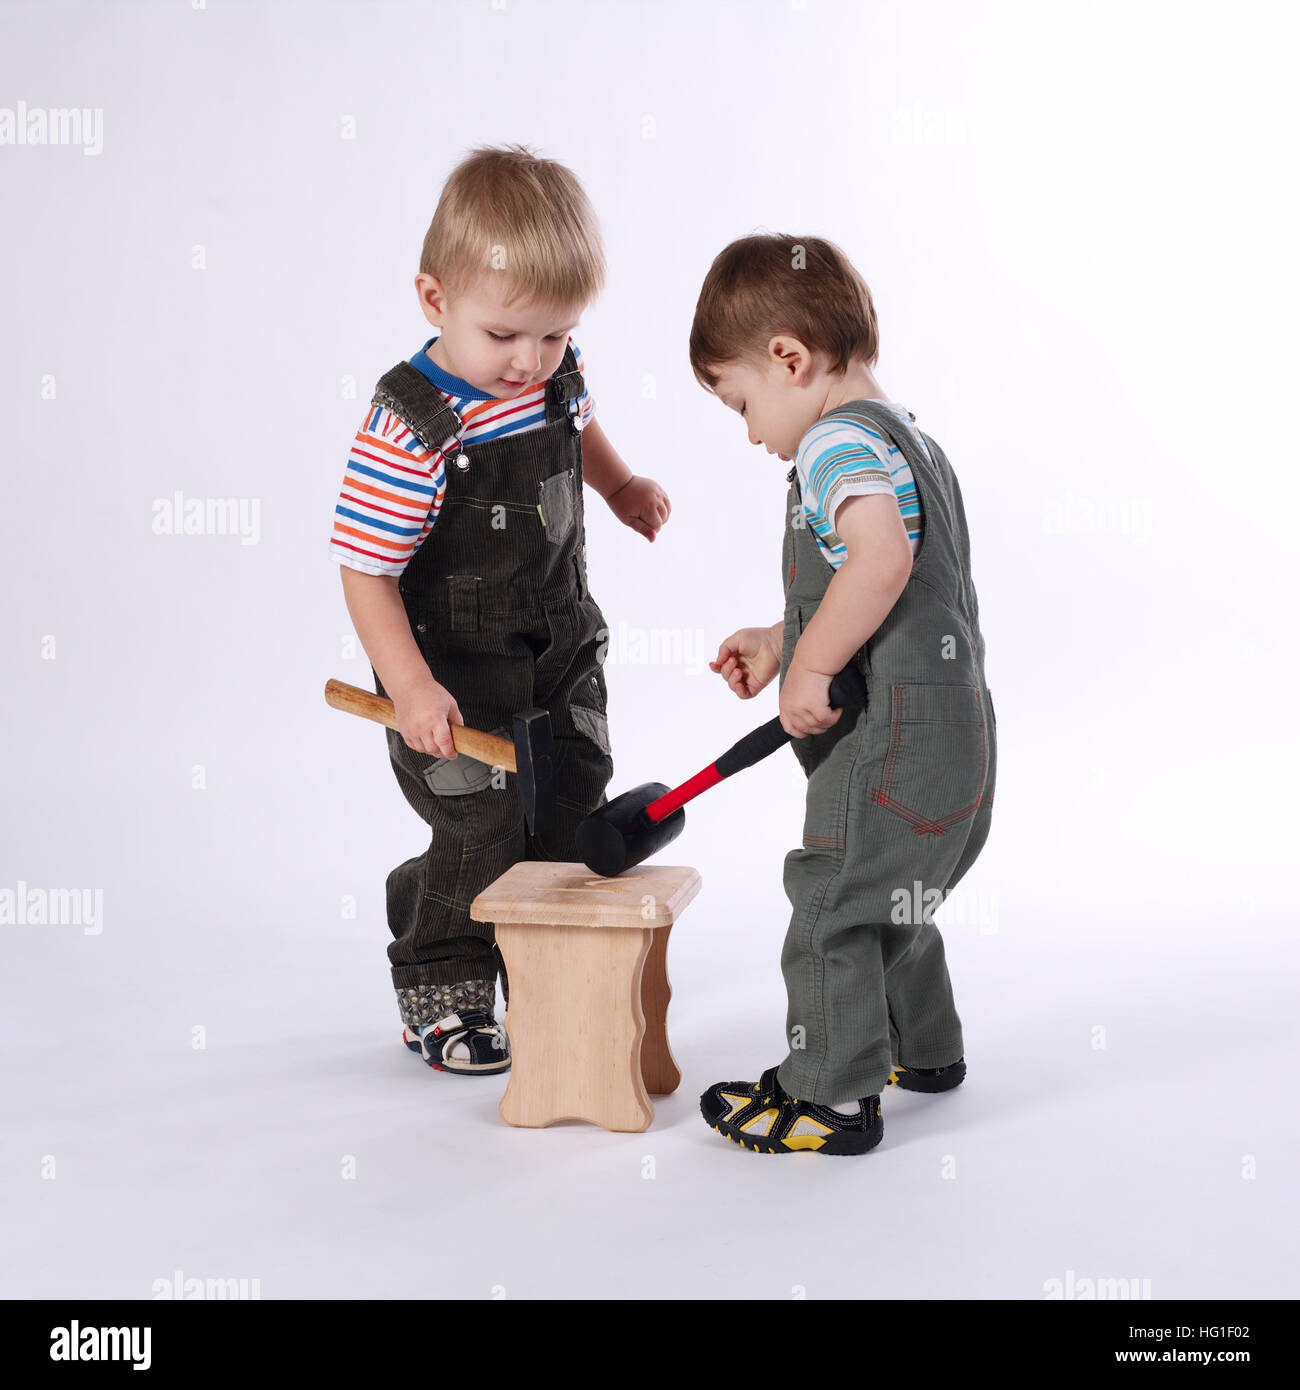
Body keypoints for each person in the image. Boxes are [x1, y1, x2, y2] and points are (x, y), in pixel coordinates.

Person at [330, 145, 670, 1074]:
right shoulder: (411, 427)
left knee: (571, 799)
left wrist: (621, 484)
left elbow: (578, 419)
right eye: (506, 336)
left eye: (556, 335)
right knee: (480, 827)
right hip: (449, 670)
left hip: (560, 640)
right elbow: (366, 571)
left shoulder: (551, 373)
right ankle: (439, 975)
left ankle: (545, 969)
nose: (532, 361)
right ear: (434, 301)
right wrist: (410, 687)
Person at [691, 234, 995, 1153]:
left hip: (887, 746)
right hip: (958, 742)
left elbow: (879, 557)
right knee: (895, 898)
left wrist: (812, 670)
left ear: (791, 358)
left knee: (831, 907)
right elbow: (878, 591)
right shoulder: (914, 443)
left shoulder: (831, 446)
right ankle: (923, 1048)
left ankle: (828, 1092)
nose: (751, 434)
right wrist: (784, 640)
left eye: (742, 403)